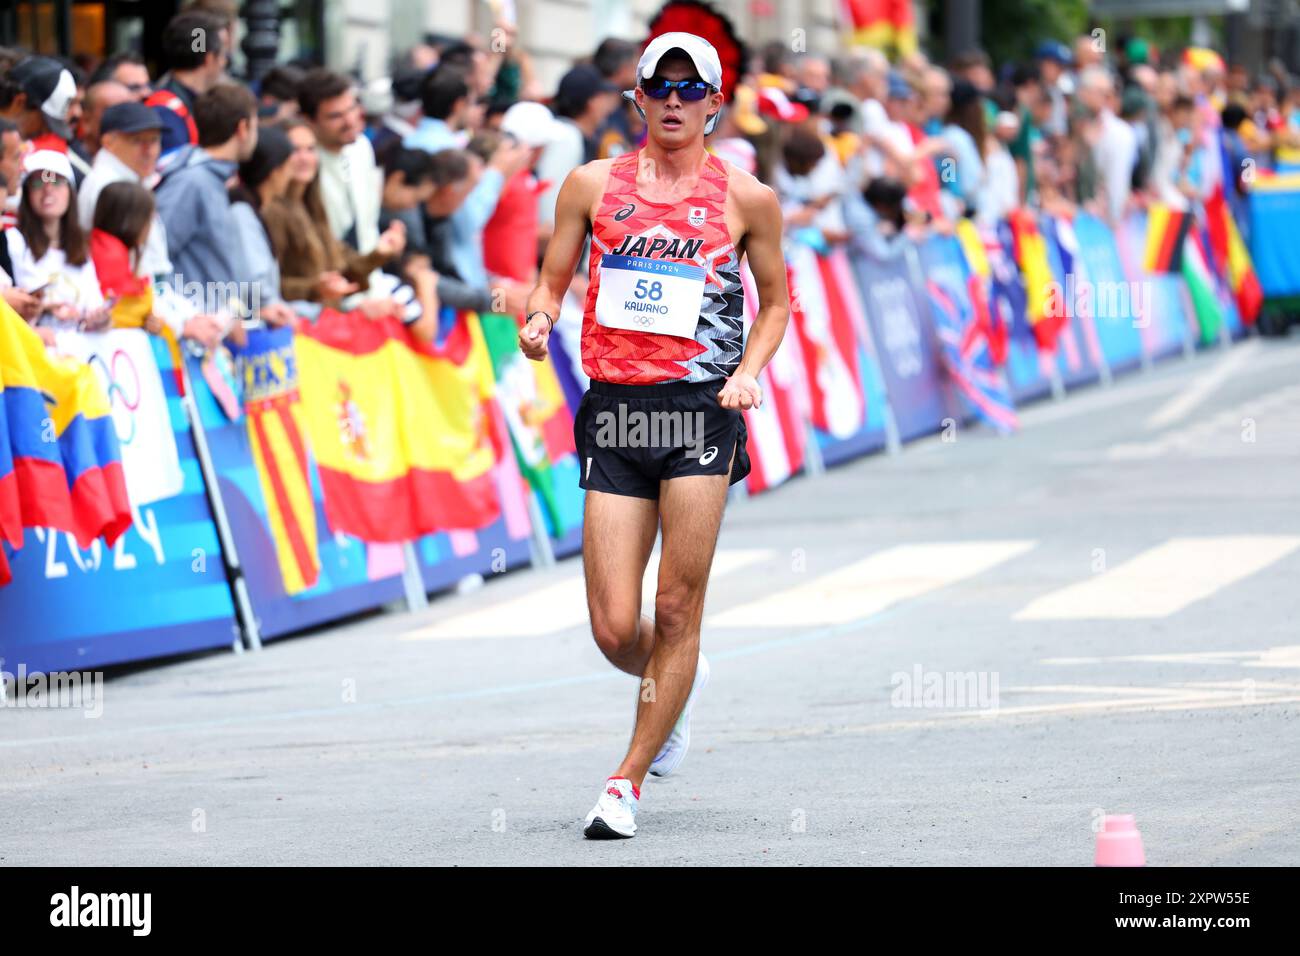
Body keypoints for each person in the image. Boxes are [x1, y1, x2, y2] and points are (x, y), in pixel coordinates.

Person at [518, 32, 789, 839]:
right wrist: (538, 319)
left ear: (713, 101)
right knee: (613, 626)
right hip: (616, 411)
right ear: (637, 98)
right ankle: (678, 679)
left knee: (675, 605)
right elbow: (551, 280)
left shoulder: (748, 198)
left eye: (689, 88)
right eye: (658, 87)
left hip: (702, 412)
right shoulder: (590, 185)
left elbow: (775, 302)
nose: (673, 101)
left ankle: (624, 783)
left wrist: (749, 371)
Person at [155, 82, 293, 331]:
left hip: (211, 334)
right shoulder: (193, 182)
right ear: (242, 128)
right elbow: (155, 258)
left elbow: (218, 269)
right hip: (192, 339)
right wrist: (186, 321)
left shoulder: (213, 180)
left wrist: (248, 313)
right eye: (254, 125)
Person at [261, 119, 403, 307]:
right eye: (295, 150)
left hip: (327, 321)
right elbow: (264, 286)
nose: (305, 158)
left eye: (311, 149)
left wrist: (380, 252)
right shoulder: (271, 211)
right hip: (296, 325)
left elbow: (342, 267)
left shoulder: (312, 203)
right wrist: (313, 289)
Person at [5, 150, 110, 339]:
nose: (48, 190)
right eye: (38, 182)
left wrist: (100, 319)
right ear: (27, 192)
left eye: (56, 181)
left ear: (70, 191)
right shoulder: (11, 241)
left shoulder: (81, 250)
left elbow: (94, 308)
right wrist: (41, 308)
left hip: (75, 356)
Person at [147, 10, 230, 161]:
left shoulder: (163, 104)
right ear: (209, 58)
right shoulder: (167, 113)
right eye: (224, 54)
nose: (225, 62)